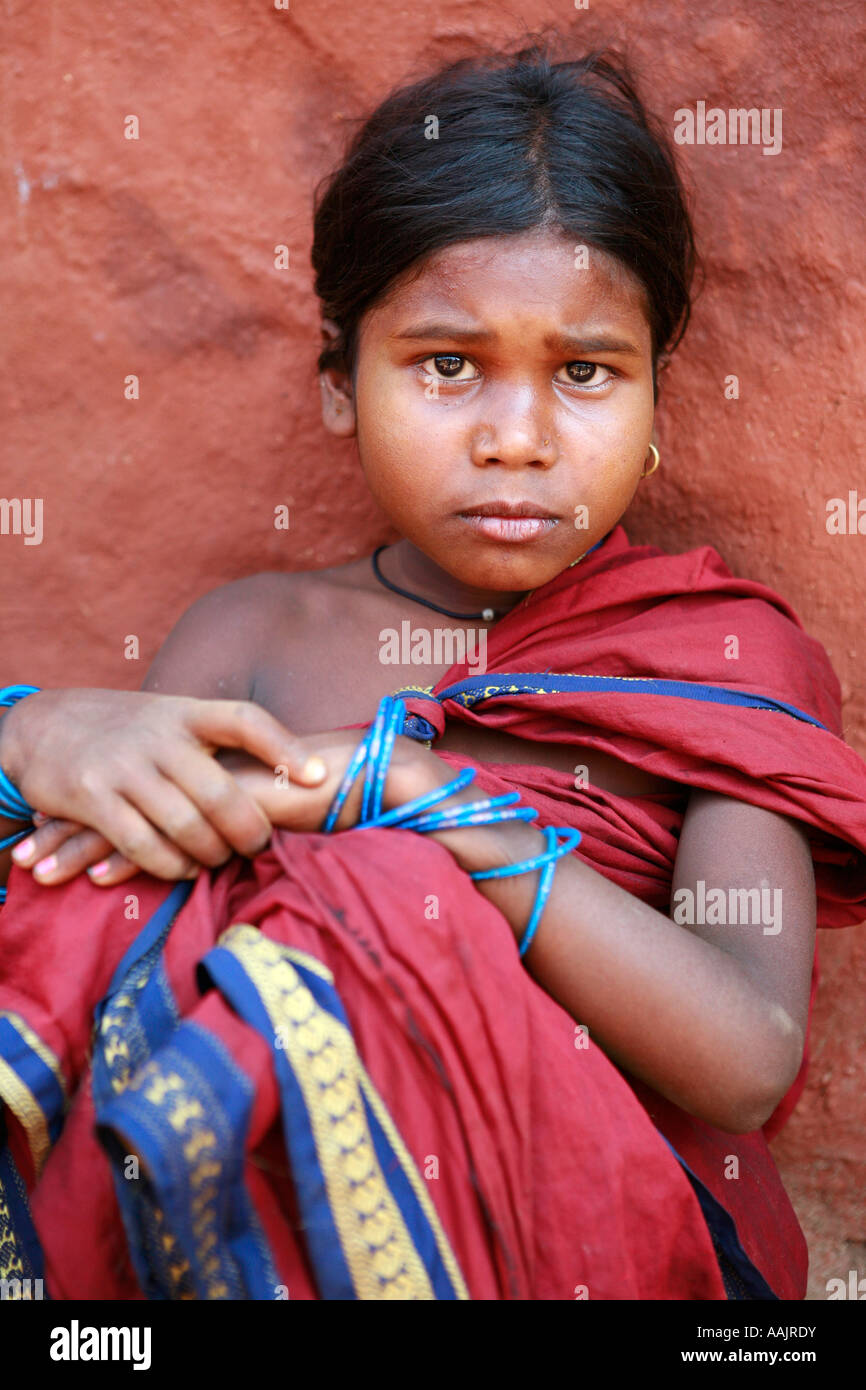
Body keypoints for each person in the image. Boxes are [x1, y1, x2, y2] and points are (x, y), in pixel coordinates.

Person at [0, 38, 864, 1301]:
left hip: (593, 1244)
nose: (514, 439)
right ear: (340, 381)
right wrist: (34, 741)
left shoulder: (721, 660)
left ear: (656, 400)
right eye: (446, 365)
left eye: (583, 372)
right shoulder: (253, 633)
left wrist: (421, 806)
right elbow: (133, 948)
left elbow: (742, 1056)